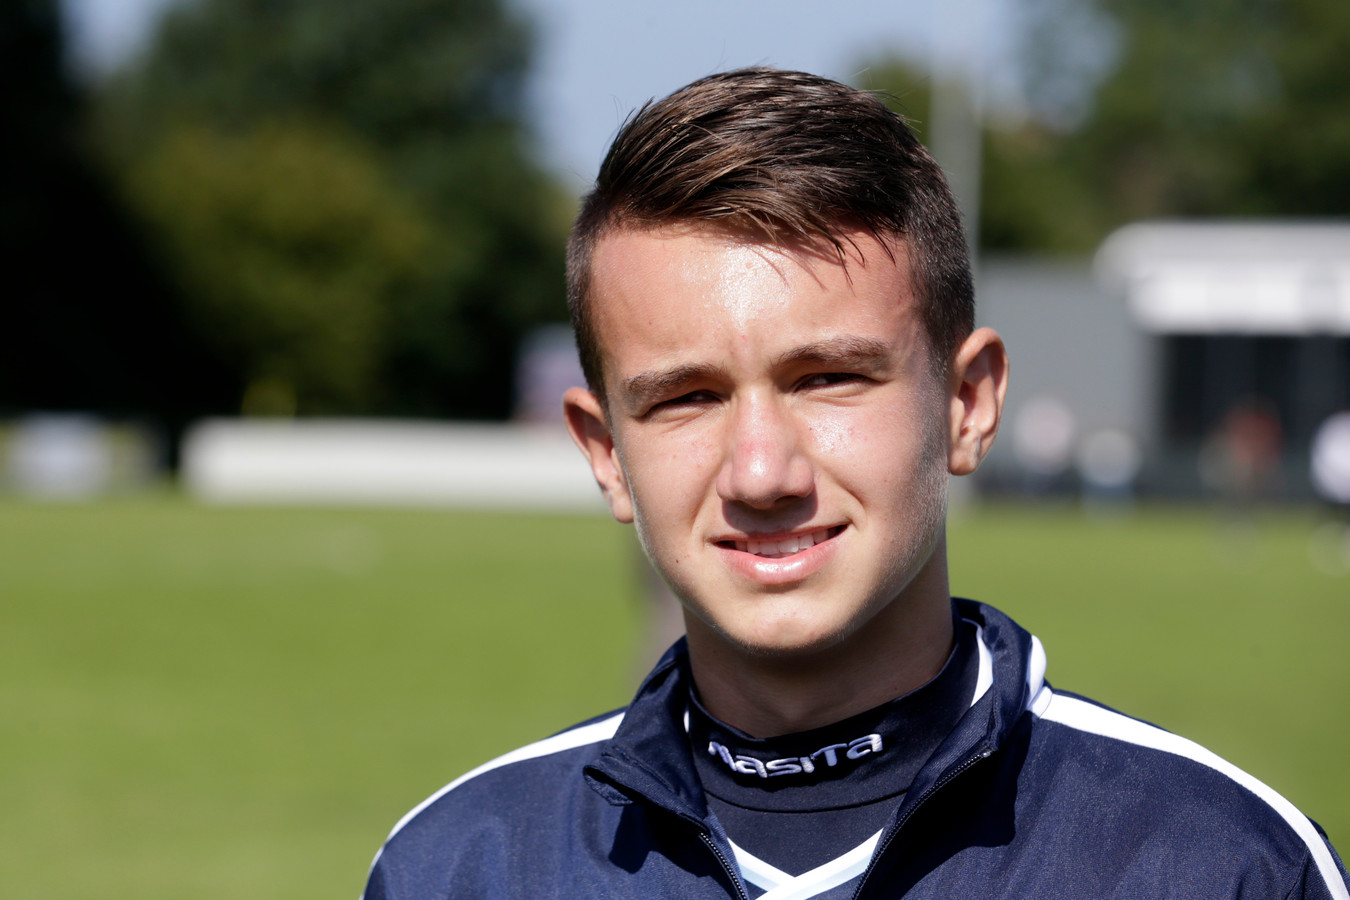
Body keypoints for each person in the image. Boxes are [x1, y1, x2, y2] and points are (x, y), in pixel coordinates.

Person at [362, 68, 1349, 900]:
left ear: (967, 403)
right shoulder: (460, 868)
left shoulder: (1221, 865)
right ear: (605, 452)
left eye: (827, 377)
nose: (761, 472)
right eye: (686, 398)